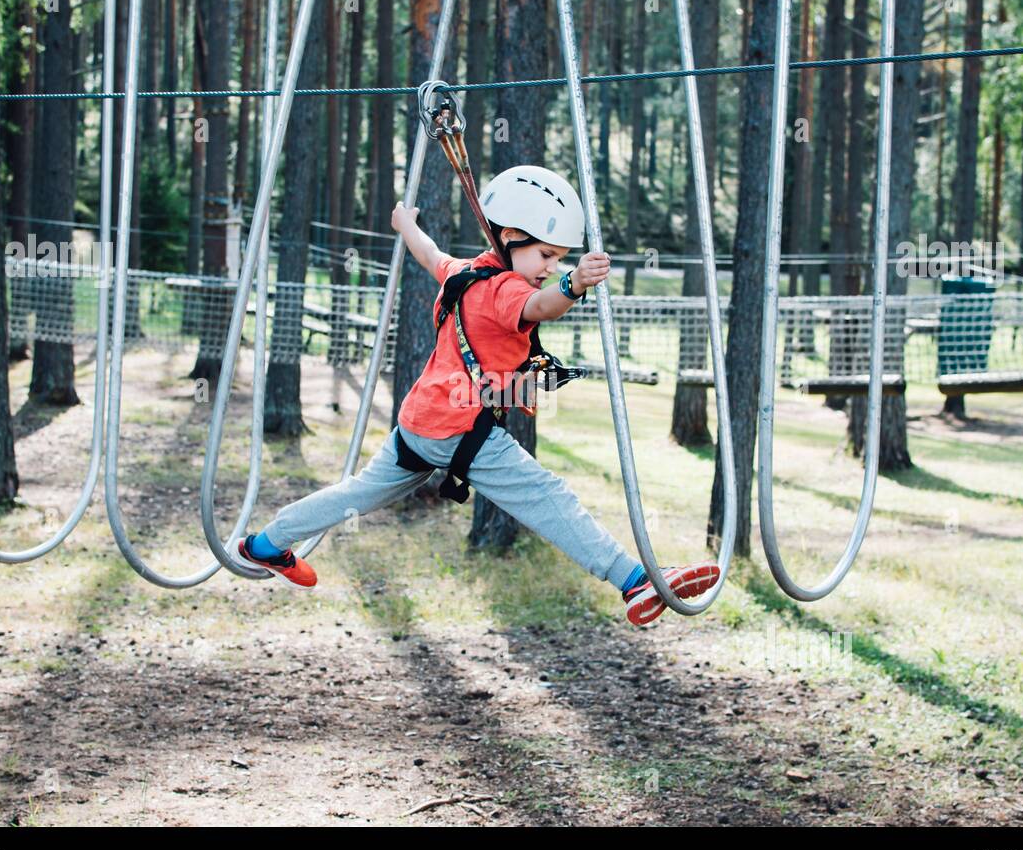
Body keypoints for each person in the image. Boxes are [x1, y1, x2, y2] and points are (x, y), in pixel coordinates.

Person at [236, 165, 720, 625]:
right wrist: (575, 284)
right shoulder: (507, 290)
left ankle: (267, 543)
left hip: (418, 424)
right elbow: (541, 306)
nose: (551, 268)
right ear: (510, 239)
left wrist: (405, 223)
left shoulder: (466, 272)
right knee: (547, 496)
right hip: (459, 428)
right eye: (547, 256)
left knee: (356, 495)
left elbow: (429, 254)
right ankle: (633, 581)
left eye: (558, 260)